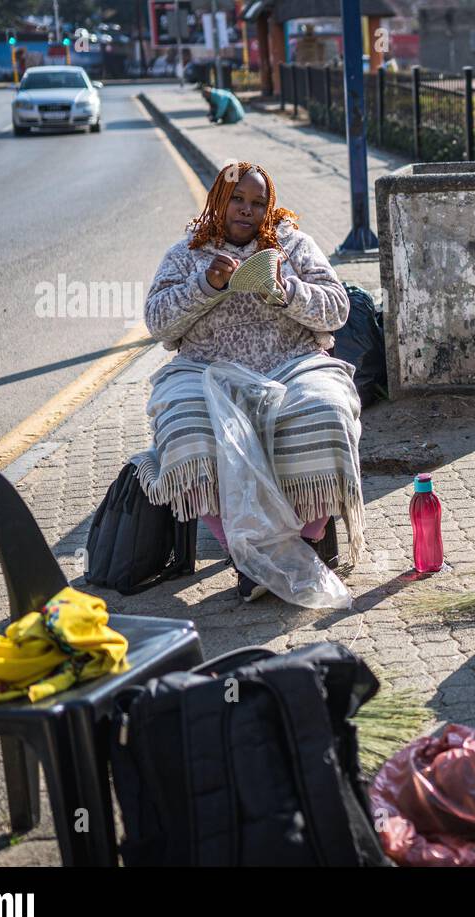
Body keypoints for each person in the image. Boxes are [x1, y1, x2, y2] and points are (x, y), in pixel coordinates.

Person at [134, 161, 359, 601]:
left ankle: (305, 544)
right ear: (218, 200)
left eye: (258, 203)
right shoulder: (186, 254)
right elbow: (159, 323)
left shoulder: (292, 245)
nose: (247, 210)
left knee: (324, 411)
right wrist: (207, 284)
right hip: (206, 370)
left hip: (291, 364)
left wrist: (285, 290)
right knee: (186, 427)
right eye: (237, 199)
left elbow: (337, 309)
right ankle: (245, 554)